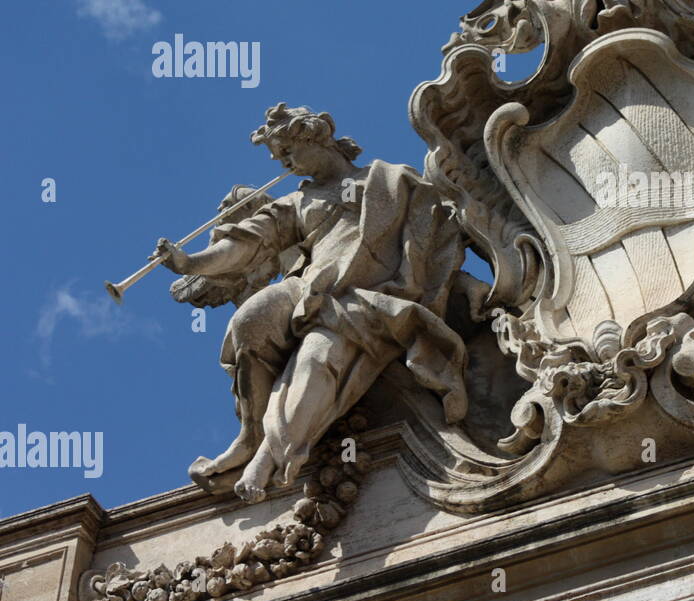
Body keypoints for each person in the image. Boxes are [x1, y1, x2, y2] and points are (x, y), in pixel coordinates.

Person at [156, 104, 469, 502]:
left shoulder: (389, 179)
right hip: (310, 288)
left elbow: (429, 241)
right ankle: (249, 435)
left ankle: (269, 458)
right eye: (280, 157)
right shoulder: (298, 202)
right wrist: (190, 262)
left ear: (316, 137)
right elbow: (248, 242)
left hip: (367, 298)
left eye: (288, 152)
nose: (285, 163)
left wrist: (424, 287)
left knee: (316, 359)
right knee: (250, 321)